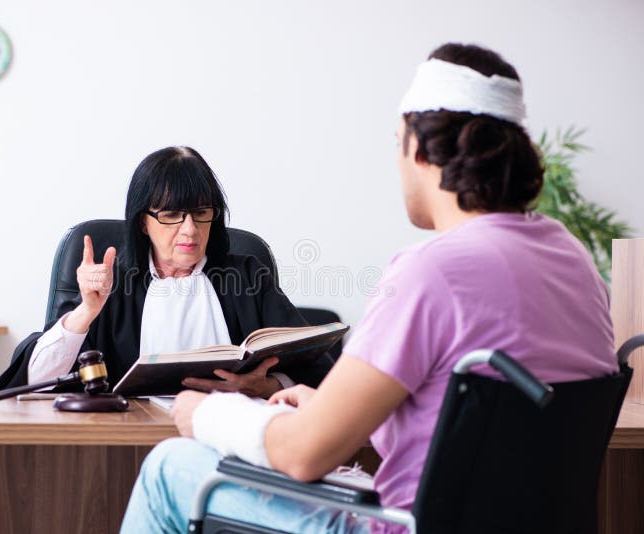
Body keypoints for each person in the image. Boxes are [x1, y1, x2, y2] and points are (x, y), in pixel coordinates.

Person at [119, 43, 618, 533]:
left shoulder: (432, 273)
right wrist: (324, 407)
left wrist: (208, 414)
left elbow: (304, 454)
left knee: (170, 466)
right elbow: (471, 429)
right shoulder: (576, 264)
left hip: (402, 526)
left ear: (418, 149)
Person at [0, 146, 333, 398]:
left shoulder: (246, 278)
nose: (190, 230)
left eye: (201, 213)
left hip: (229, 440)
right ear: (143, 221)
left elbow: (319, 369)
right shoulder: (114, 285)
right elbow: (38, 381)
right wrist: (86, 311)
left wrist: (269, 385)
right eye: (171, 215)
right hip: (125, 447)